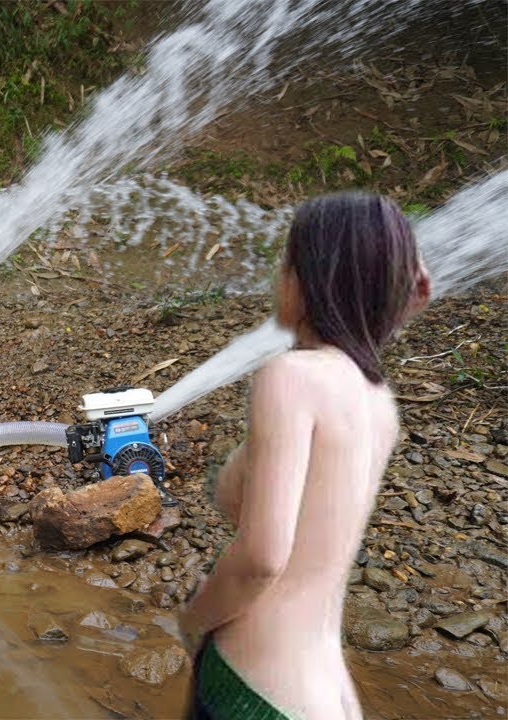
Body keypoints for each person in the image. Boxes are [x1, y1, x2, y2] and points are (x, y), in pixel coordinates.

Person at [179, 192, 430, 720]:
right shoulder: (376, 399)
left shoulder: (289, 379)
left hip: (253, 692)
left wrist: (195, 617)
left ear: (308, 277)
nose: (280, 277)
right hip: (329, 697)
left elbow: (262, 558)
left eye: (286, 263)